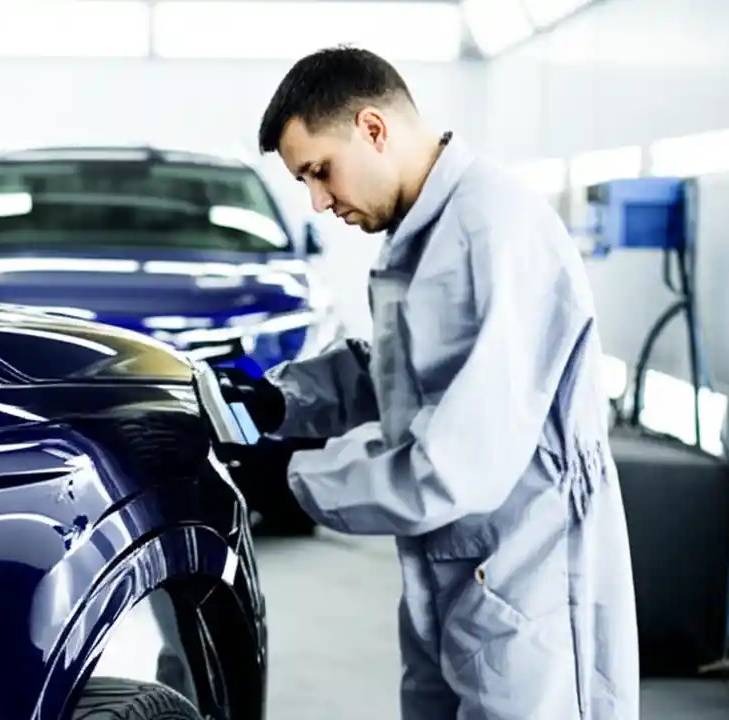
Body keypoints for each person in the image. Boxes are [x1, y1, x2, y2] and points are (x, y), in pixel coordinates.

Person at [222, 47, 640, 719]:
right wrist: (283, 398)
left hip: (525, 576)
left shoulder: (493, 232)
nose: (319, 202)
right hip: (456, 569)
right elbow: (401, 370)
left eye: (320, 172)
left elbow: (456, 461)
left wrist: (292, 480)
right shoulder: (424, 231)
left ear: (373, 128)